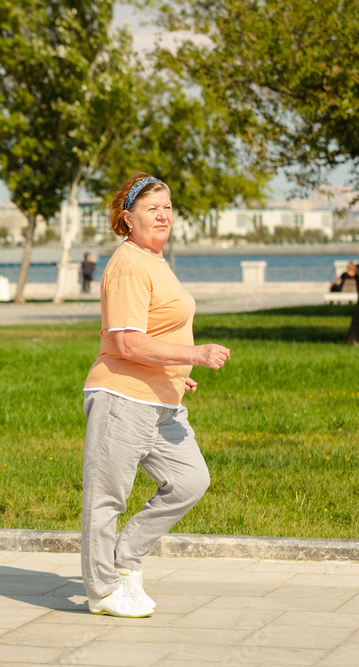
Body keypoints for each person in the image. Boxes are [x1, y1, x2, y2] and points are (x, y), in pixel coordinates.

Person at [81, 173, 231, 618]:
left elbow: (153, 332)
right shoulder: (128, 265)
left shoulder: (155, 261)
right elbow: (126, 342)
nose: (162, 214)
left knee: (190, 481)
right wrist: (193, 354)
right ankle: (102, 591)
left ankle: (124, 559)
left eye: (167, 206)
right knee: (107, 497)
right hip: (122, 396)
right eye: (151, 208)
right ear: (128, 219)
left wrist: (175, 371)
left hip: (161, 399)